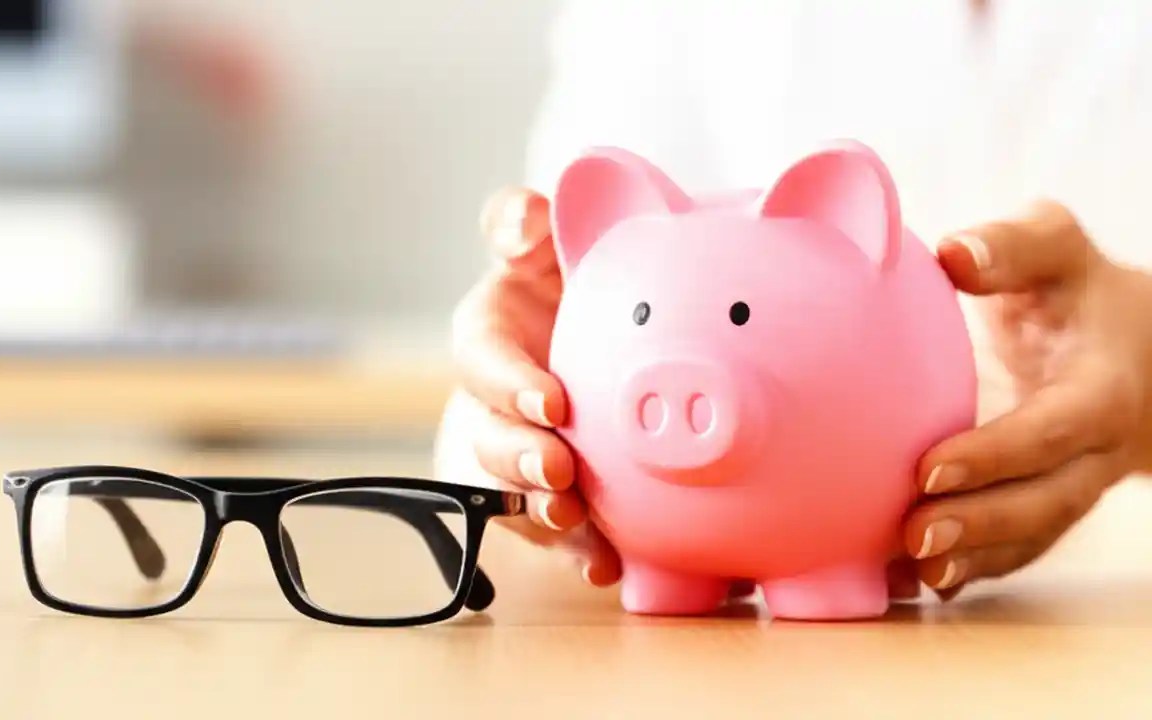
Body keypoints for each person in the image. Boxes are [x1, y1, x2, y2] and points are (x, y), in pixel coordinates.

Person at [434, 0, 1152, 602]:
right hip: (659, 629)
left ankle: (824, 579)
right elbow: (555, 288)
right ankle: (673, 576)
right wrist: (518, 396)